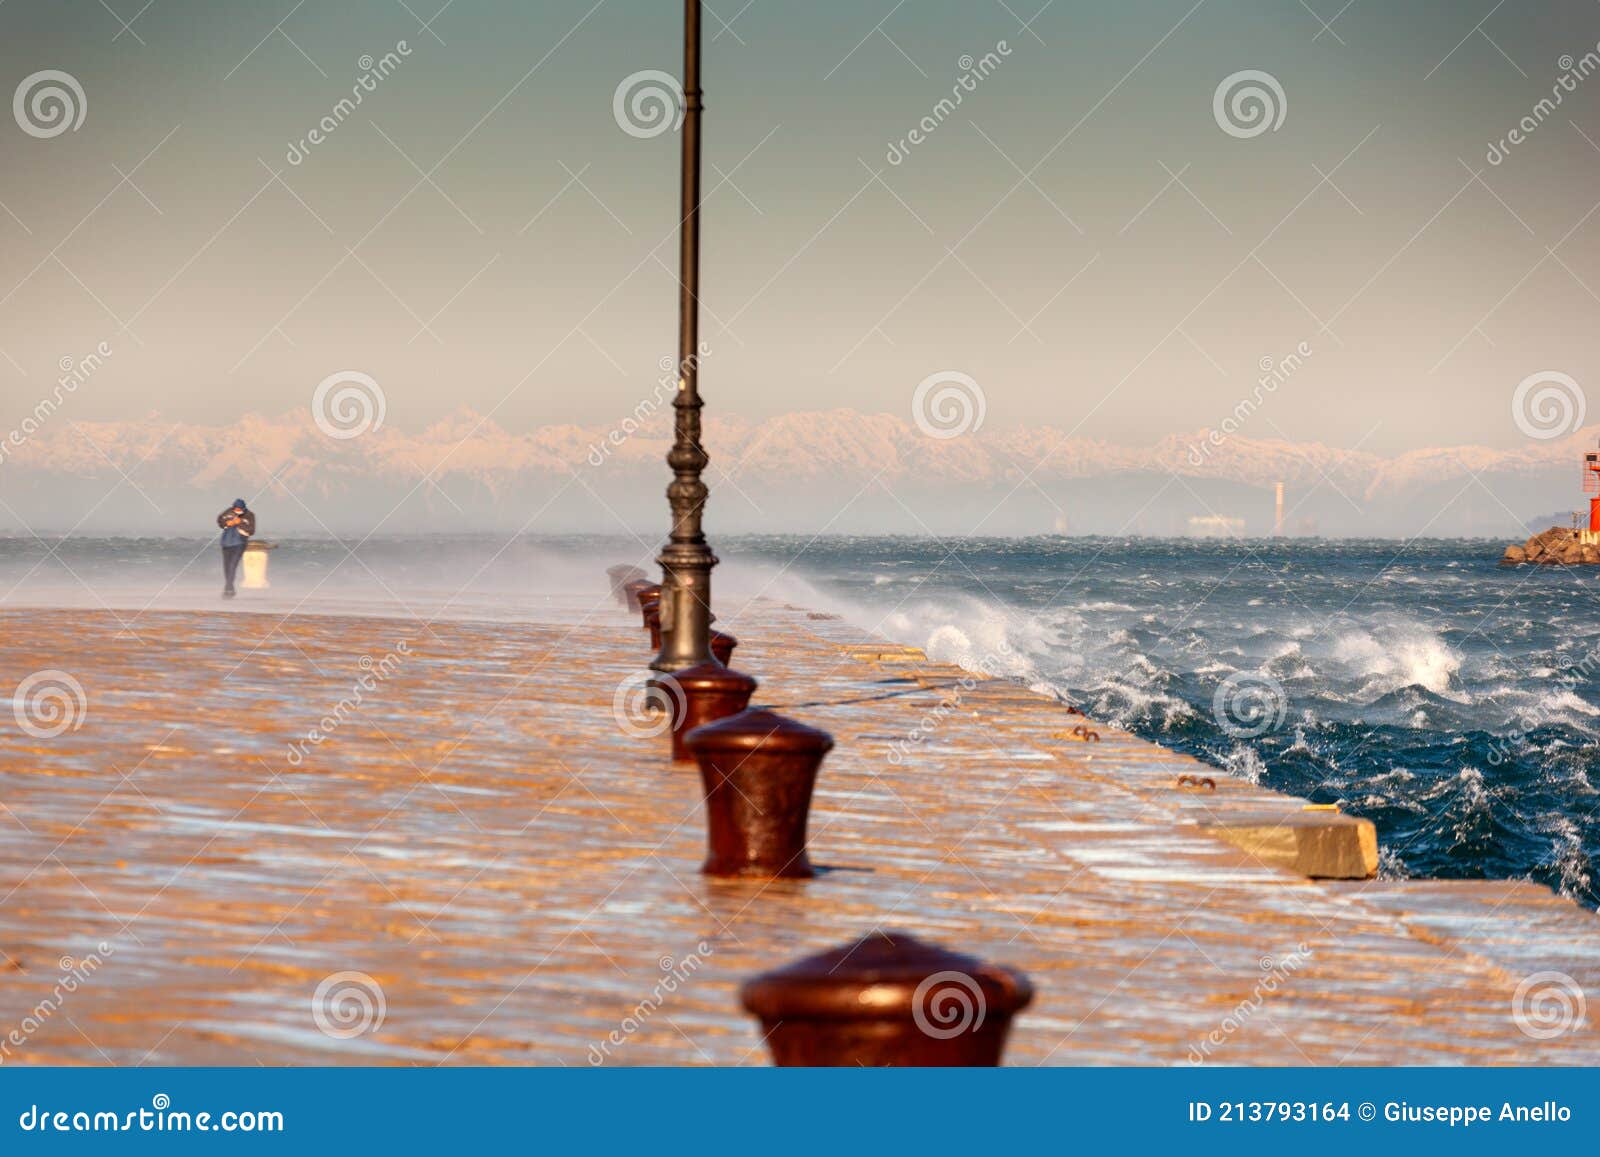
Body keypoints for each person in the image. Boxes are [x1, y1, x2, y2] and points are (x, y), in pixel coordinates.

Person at [216, 498, 256, 598]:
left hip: (240, 543)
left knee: (233, 565)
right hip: (226, 543)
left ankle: (228, 588)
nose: (237, 511)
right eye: (236, 509)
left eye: (239, 509)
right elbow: (220, 520)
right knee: (226, 567)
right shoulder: (228, 512)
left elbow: (251, 530)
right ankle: (229, 587)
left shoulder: (250, 515)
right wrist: (227, 523)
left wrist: (240, 523)